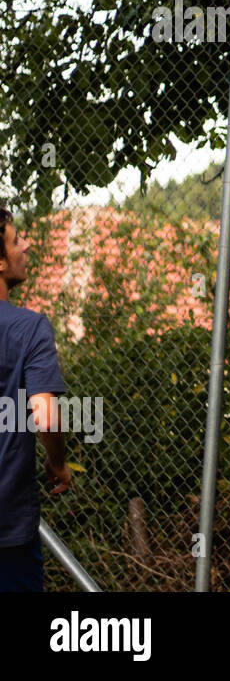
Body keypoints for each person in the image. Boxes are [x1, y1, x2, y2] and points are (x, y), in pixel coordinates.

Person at [0, 207, 72, 592]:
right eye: (15, 240)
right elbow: (44, 413)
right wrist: (57, 462)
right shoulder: (30, 328)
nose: (26, 245)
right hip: (9, 530)